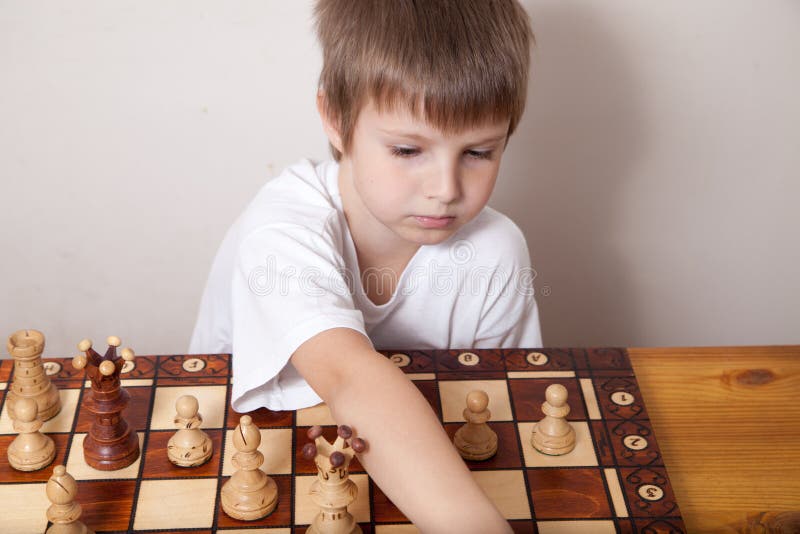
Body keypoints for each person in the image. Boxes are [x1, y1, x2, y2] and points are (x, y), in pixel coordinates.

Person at [190, 1, 541, 531]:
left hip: (427, 478)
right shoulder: (280, 230)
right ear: (335, 119)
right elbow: (347, 374)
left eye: (478, 152)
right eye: (406, 150)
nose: (445, 190)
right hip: (244, 461)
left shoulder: (496, 251)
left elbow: (504, 408)